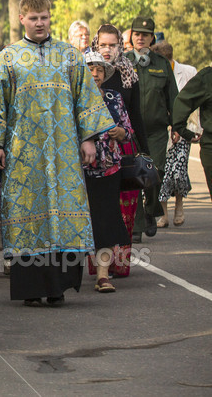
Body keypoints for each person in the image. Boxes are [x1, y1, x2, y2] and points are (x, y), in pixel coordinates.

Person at [0, 0, 113, 306]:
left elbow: (85, 98)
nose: (39, 23)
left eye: (44, 17)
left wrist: (88, 139)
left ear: (50, 17)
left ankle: (59, 287)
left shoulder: (69, 55)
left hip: (64, 151)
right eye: (33, 18)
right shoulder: (8, 58)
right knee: (27, 213)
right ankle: (31, 290)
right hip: (22, 153)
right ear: (22, 19)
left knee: (63, 211)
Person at [91, 23, 147, 271]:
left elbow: (135, 115)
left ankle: (119, 264)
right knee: (98, 209)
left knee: (124, 208)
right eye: (102, 45)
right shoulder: (86, 71)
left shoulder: (128, 73)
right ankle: (98, 267)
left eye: (112, 45)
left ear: (121, 46)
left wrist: (144, 151)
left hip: (122, 148)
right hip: (91, 153)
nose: (107, 50)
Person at [81, 50, 133, 294]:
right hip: (78, 171)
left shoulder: (114, 97)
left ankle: (103, 275)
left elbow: (128, 130)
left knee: (107, 220)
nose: (95, 74)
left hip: (110, 168)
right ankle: (68, 274)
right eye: (90, 69)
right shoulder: (71, 97)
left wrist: (121, 133)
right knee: (82, 220)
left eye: (99, 70)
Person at [126, 17, 178, 236]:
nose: (140, 38)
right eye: (137, 34)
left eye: (145, 35)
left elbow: (173, 97)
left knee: (155, 173)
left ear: (152, 38)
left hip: (156, 131)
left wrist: (177, 126)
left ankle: (150, 210)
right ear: (131, 36)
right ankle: (137, 226)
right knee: (134, 176)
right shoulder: (124, 61)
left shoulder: (161, 63)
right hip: (130, 131)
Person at [151, 41, 196, 226]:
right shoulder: (152, 72)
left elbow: (197, 101)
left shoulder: (188, 72)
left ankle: (179, 205)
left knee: (178, 171)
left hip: (183, 128)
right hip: (162, 128)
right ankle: (164, 214)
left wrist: (196, 128)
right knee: (162, 171)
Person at [172, 66, 212, 201]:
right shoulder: (207, 78)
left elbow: (183, 101)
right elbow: (183, 101)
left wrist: (182, 129)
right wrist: (183, 130)